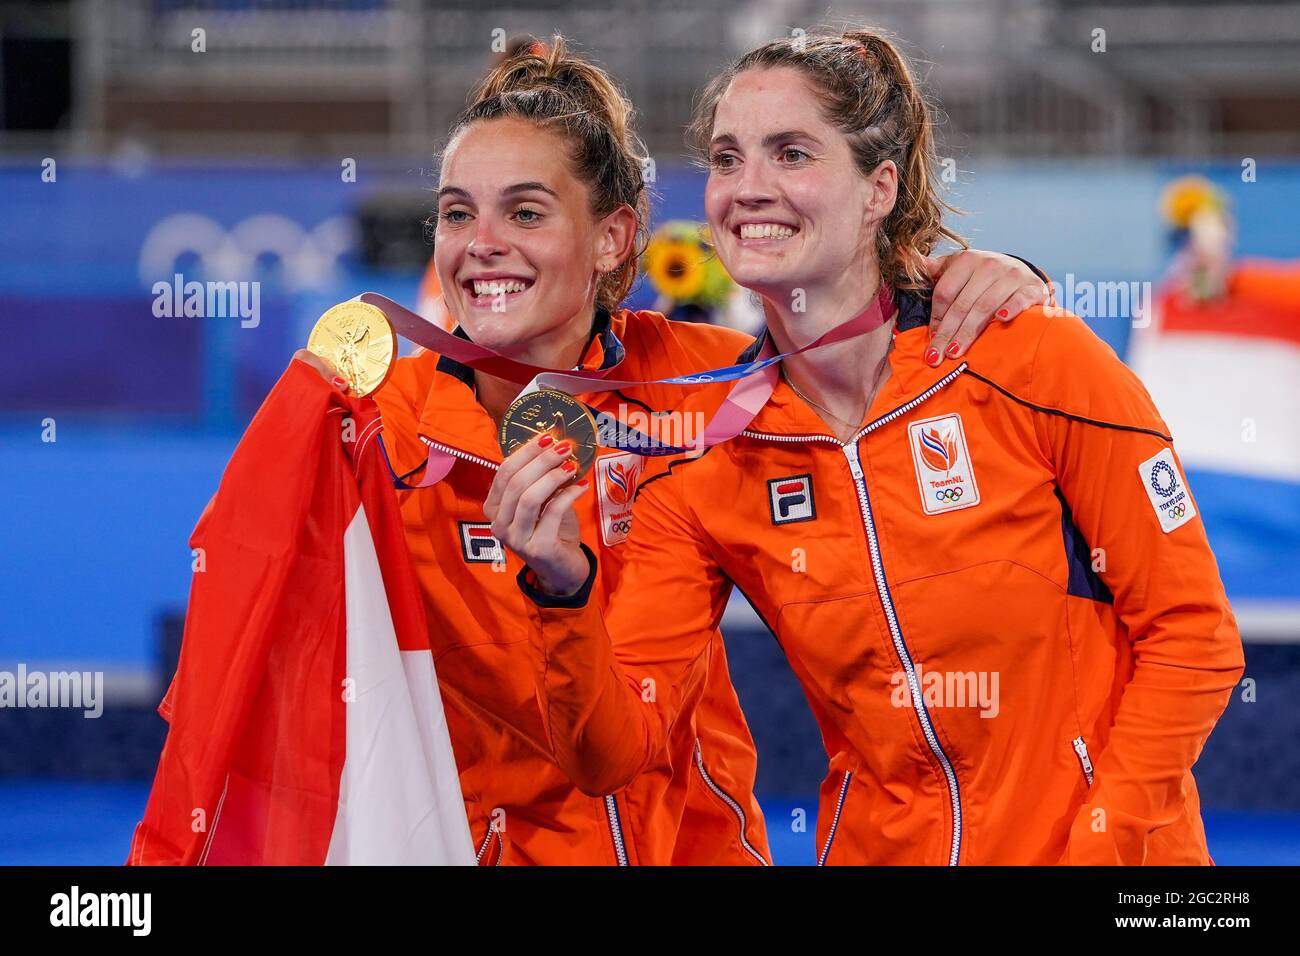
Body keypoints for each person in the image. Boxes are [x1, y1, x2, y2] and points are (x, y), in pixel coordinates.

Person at [489, 30, 1245, 865]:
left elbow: (1193, 639)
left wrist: (1100, 845)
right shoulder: (708, 453)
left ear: (879, 187)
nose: (750, 189)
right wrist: (561, 590)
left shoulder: (1030, 356)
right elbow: (612, 752)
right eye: (728, 159)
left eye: (791, 154)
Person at [299, 37, 1050, 865]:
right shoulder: (375, 430)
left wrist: (979, 280)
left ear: (614, 238)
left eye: (524, 211)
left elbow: (856, 346)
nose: (481, 243)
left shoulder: (703, 387)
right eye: (455, 212)